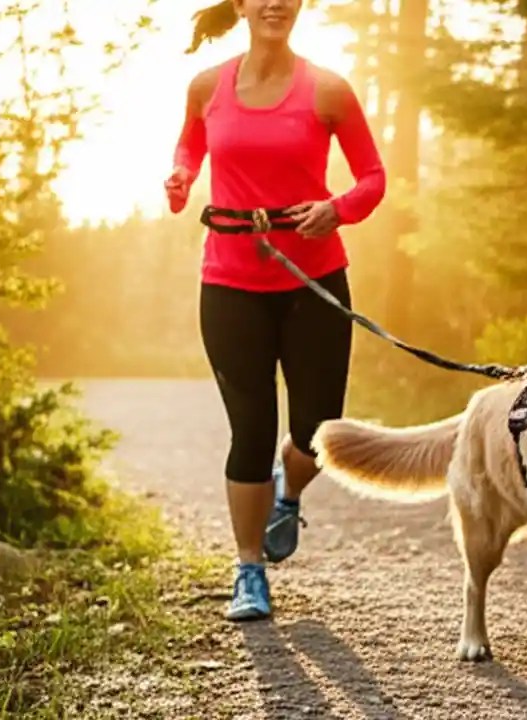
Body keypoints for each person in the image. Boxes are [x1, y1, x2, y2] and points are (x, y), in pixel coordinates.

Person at [164, 0, 386, 621]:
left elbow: (372, 177)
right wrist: (181, 177)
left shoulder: (329, 91)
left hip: (312, 281)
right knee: (252, 430)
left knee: (318, 432)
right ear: (240, 4)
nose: (276, 3)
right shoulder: (208, 86)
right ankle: (248, 571)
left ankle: (286, 496)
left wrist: (335, 209)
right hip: (230, 283)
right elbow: (189, 146)